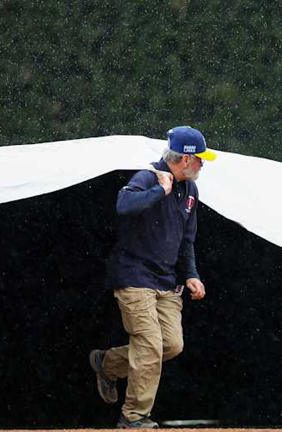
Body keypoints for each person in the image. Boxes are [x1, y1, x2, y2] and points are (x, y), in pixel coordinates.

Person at [89, 126, 216, 428]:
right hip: (134, 276)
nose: (202, 164)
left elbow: (186, 241)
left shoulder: (191, 191)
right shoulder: (148, 176)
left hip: (166, 281)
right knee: (149, 348)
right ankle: (133, 418)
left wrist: (192, 275)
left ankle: (106, 364)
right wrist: (160, 190)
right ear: (185, 159)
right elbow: (124, 206)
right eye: (200, 159)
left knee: (171, 346)